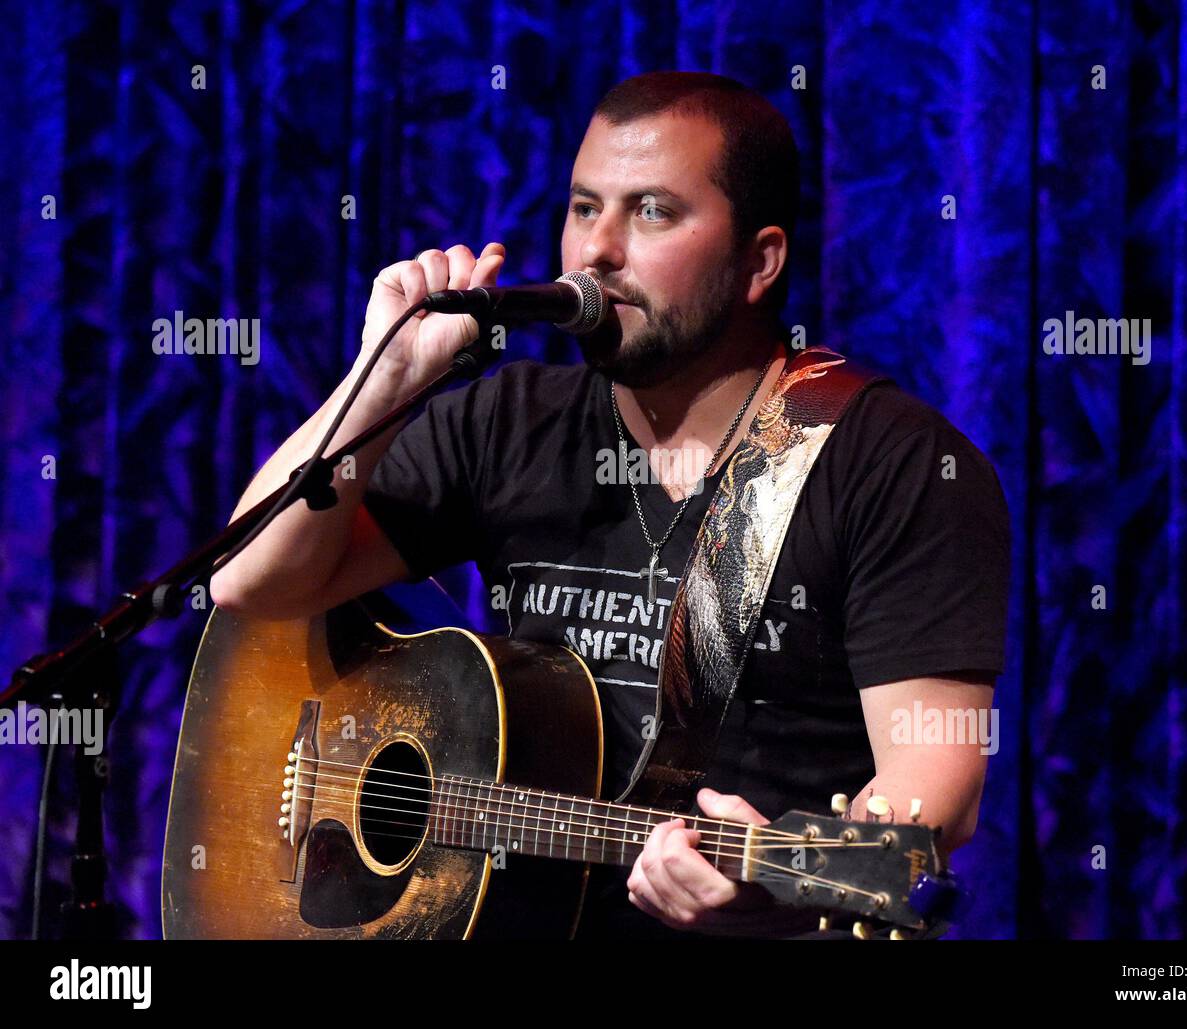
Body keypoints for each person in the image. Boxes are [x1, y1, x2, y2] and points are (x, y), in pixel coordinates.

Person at [210, 71, 1010, 940]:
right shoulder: (506, 422)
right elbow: (251, 581)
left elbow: (938, 785)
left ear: (760, 261)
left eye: (652, 212)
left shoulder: (896, 464)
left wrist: (776, 876)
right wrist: (384, 380)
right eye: (585, 206)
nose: (596, 250)